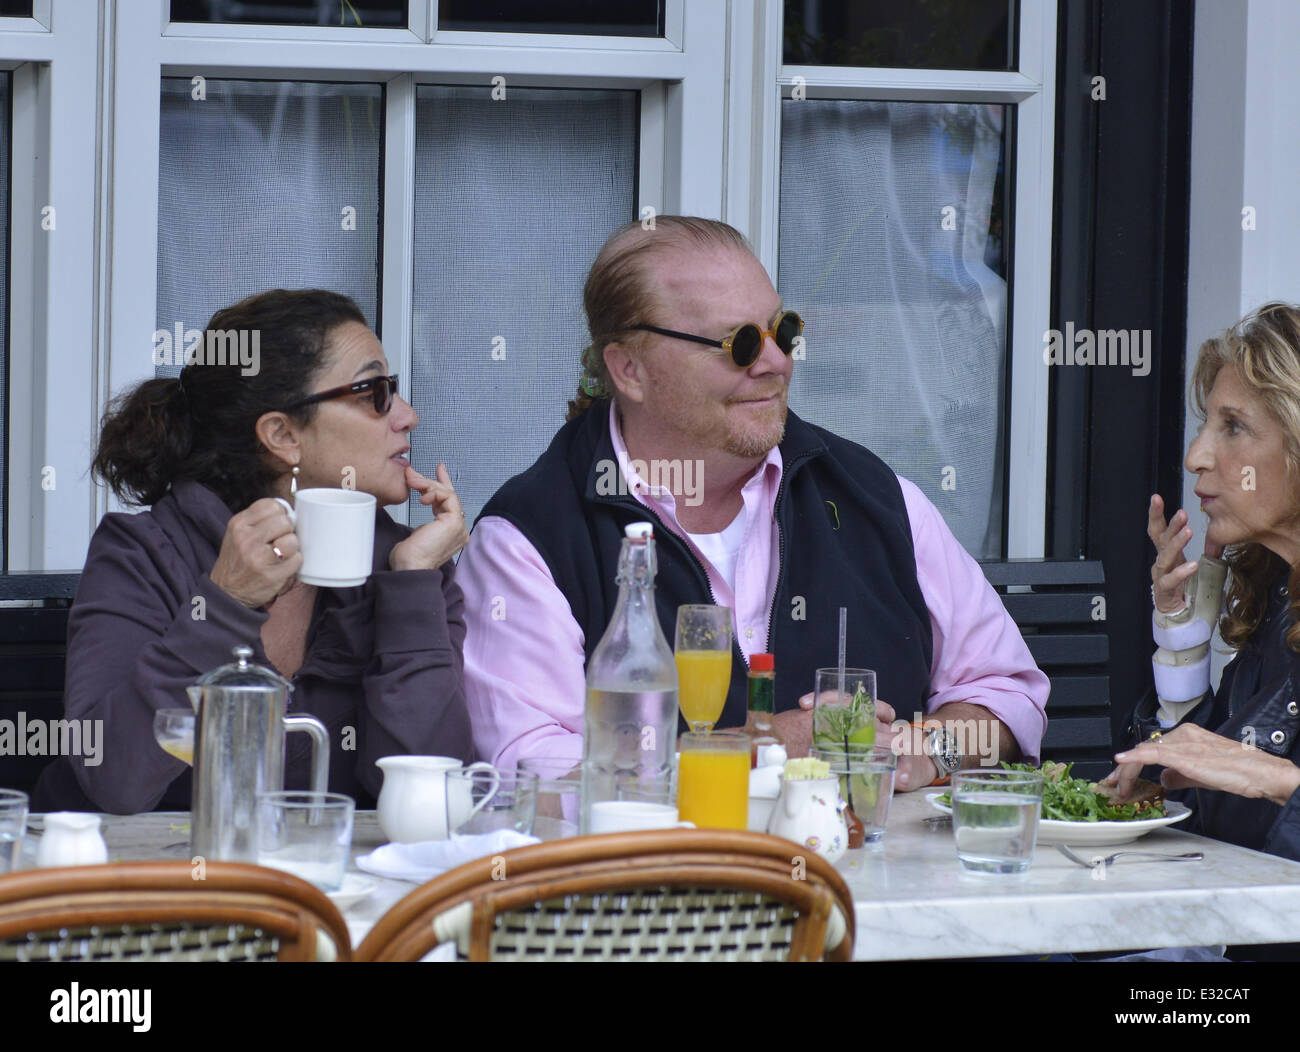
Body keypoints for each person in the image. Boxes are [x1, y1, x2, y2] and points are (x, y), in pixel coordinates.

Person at [457, 216, 1047, 789]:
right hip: (668, 888)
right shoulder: (530, 537)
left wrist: (921, 753)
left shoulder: (875, 496)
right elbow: (538, 775)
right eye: (738, 344)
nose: (776, 362)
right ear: (629, 369)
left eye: (782, 331)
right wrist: (761, 753)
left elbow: (1006, 695)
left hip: (880, 881)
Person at [34, 289, 474, 814]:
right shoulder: (143, 553)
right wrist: (226, 603)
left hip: (322, 885)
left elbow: (434, 803)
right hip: (141, 884)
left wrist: (412, 585)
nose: (407, 416)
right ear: (283, 435)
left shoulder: (409, 565)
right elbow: (116, 781)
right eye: (373, 392)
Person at [1109, 303, 1300, 873]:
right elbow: (1202, 819)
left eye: (1233, 426)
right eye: (1206, 424)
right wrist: (1181, 647)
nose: (1196, 457)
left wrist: (1276, 778)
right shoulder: (1278, 600)